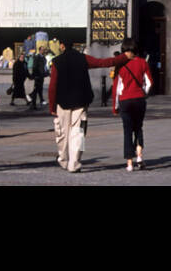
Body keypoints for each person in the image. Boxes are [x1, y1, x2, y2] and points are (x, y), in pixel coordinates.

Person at [48, 41, 118, 172]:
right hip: (81, 100)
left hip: (62, 102)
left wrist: (52, 106)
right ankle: (75, 163)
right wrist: (123, 57)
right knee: (79, 133)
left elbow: (52, 86)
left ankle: (63, 159)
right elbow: (102, 62)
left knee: (62, 133)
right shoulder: (83, 58)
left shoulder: (57, 61)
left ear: (62, 45)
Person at [112, 38, 153, 172]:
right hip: (139, 99)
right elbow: (149, 83)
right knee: (138, 128)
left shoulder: (121, 65)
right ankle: (139, 156)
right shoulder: (142, 63)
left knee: (127, 131)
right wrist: (143, 92)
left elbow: (117, 88)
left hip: (125, 100)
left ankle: (129, 163)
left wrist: (115, 106)